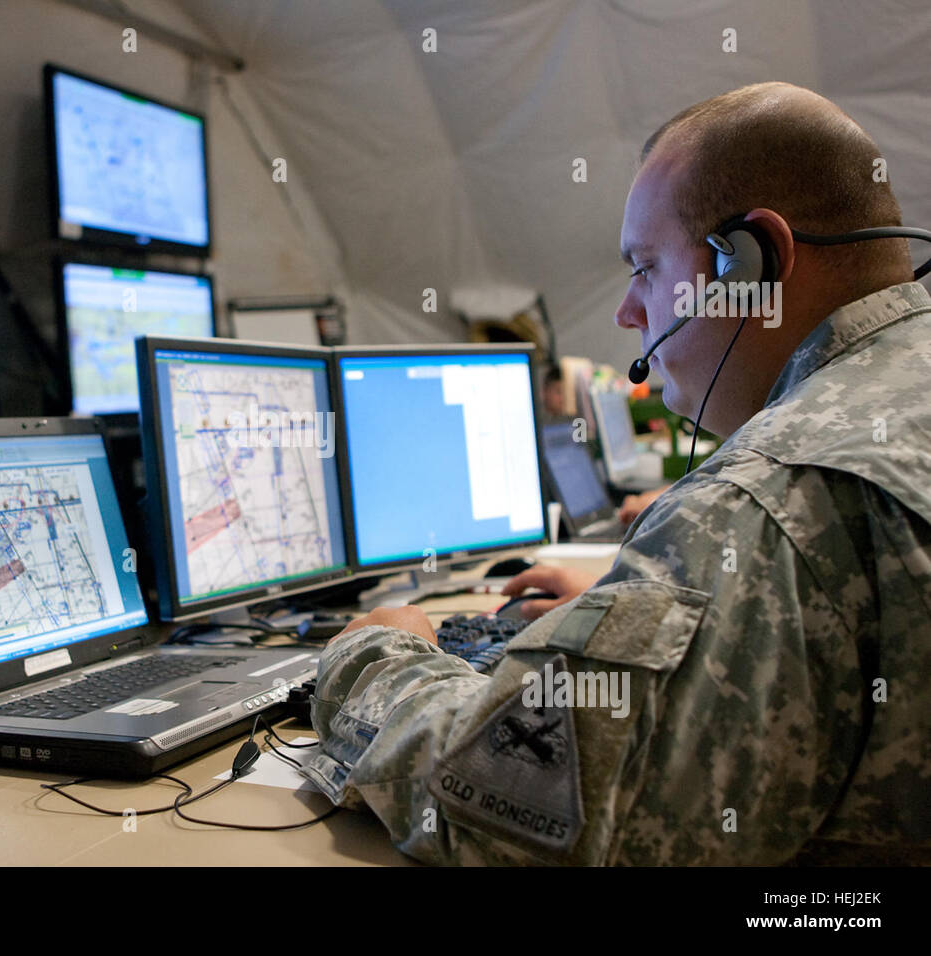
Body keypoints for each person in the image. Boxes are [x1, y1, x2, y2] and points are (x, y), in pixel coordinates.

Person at [301, 82, 931, 865]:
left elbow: (500, 816)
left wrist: (376, 659)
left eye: (644, 267)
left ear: (748, 264)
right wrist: (636, 613)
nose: (628, 313)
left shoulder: (768, 499)